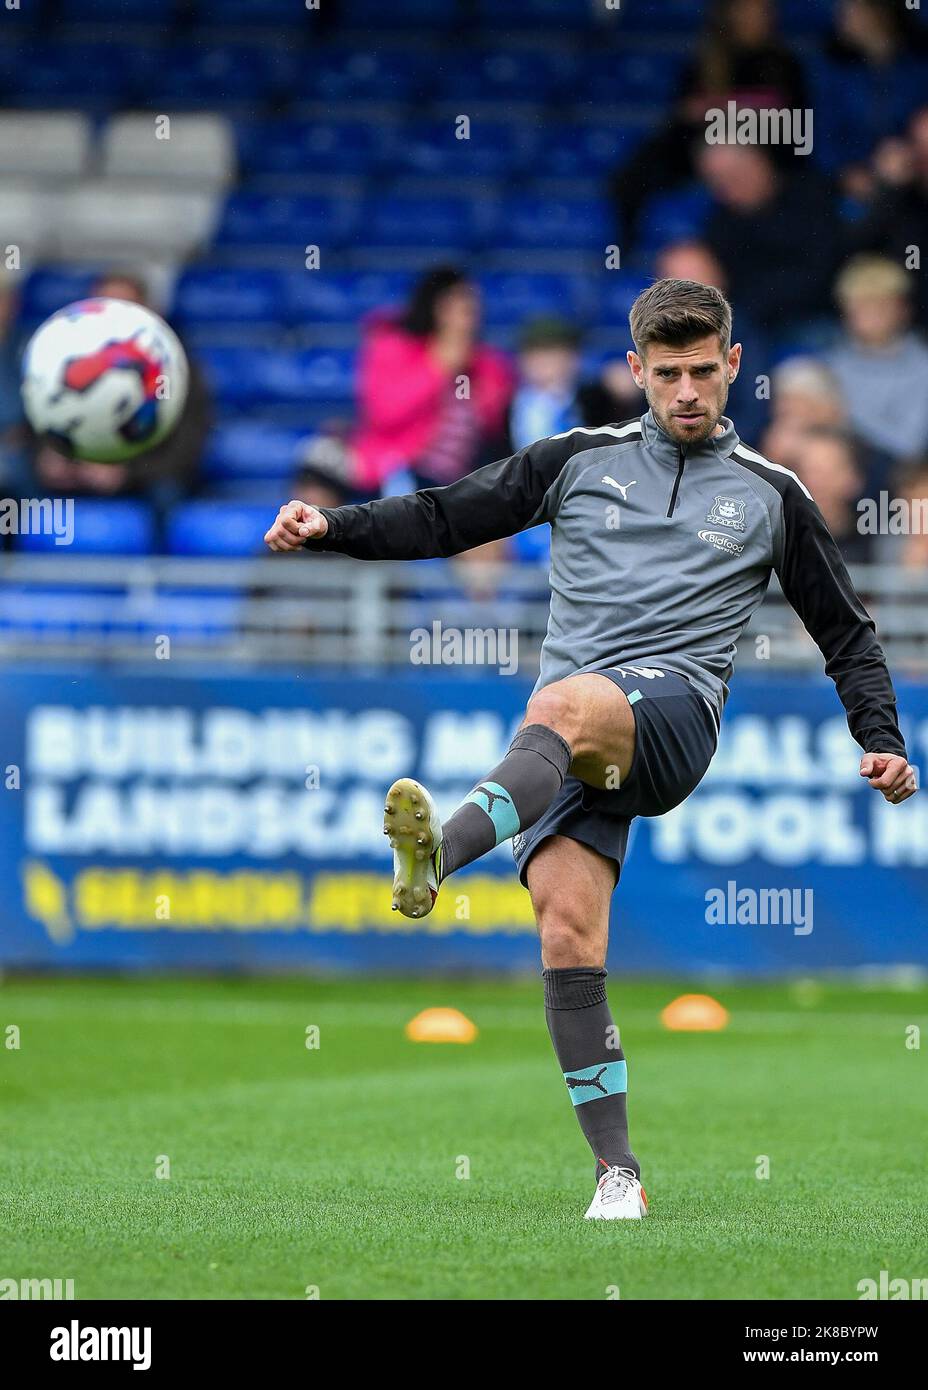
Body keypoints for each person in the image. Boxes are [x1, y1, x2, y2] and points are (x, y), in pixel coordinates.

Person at [264, 278, 916, 1221]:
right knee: (569, 937)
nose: (687, 391)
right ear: (635, 373)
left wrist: (882, 738)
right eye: (667, 374)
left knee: (565, 699)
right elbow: (451, 514)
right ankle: (618, 1175)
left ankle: (437, 854)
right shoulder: (576, 461)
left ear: (733, 366)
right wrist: (334, 528)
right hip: (565, 747)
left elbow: (846, 630)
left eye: (703, 371)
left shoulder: (773, 495)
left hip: (673, 718)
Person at [32, 271, 211, 537]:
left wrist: (125, 474)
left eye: (123, 310)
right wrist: (53, 455)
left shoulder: (178, 368)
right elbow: (36, 420)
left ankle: (160, 574)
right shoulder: (59, 360)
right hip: (73, 472)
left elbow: (185, 450)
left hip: (144, 479)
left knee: (167, 495)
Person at [352, 265, 513, 497]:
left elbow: (495, 425)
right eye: (457, 309)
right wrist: (438, 367)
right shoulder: (394, 349)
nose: (467, 319)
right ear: (435, 308)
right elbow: (385, 414)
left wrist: (472, 372)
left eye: (471, 309)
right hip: (401, 470)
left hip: (462, 479)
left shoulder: (487, 364)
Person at [825, 255, 928, 467]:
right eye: (860, 306)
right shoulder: (831, 361)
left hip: (892, 477)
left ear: (903, 310)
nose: (869, 316)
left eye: (879, 306)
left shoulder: (922, 366)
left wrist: (839, 415)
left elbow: (908, 445)